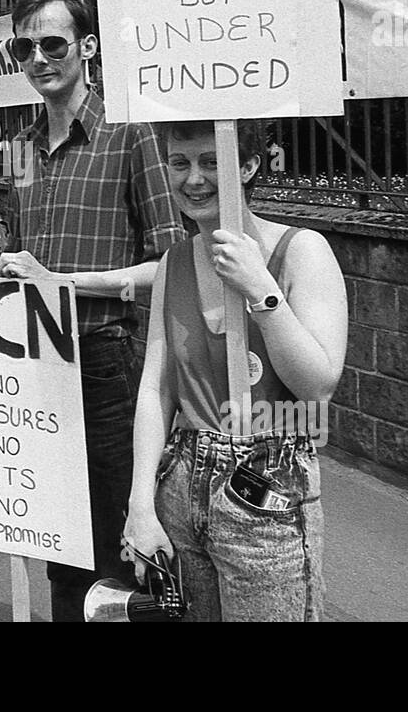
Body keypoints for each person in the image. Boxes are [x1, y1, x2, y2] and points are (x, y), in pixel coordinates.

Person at [0, 0, 186, 622]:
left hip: (106, 361)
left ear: (87, 47)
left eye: (53, 43)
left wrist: (65, 283)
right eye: (25, 47)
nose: (39, 58)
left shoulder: (132, 136)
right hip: (34, 363)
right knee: (55, 532)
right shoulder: (16, 149)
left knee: (115, 536)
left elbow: (172, 265)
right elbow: (15, 254)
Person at [123, 119, 347, 621]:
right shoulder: (173, 264)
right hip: (182, 482)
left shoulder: (301, 250)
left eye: (212, 161)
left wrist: (260, 290)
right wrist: (140, 504)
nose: (194, 178)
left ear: (247, 166)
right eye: (180, 163)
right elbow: (156, 389)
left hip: (265, 486)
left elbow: (318, 385)